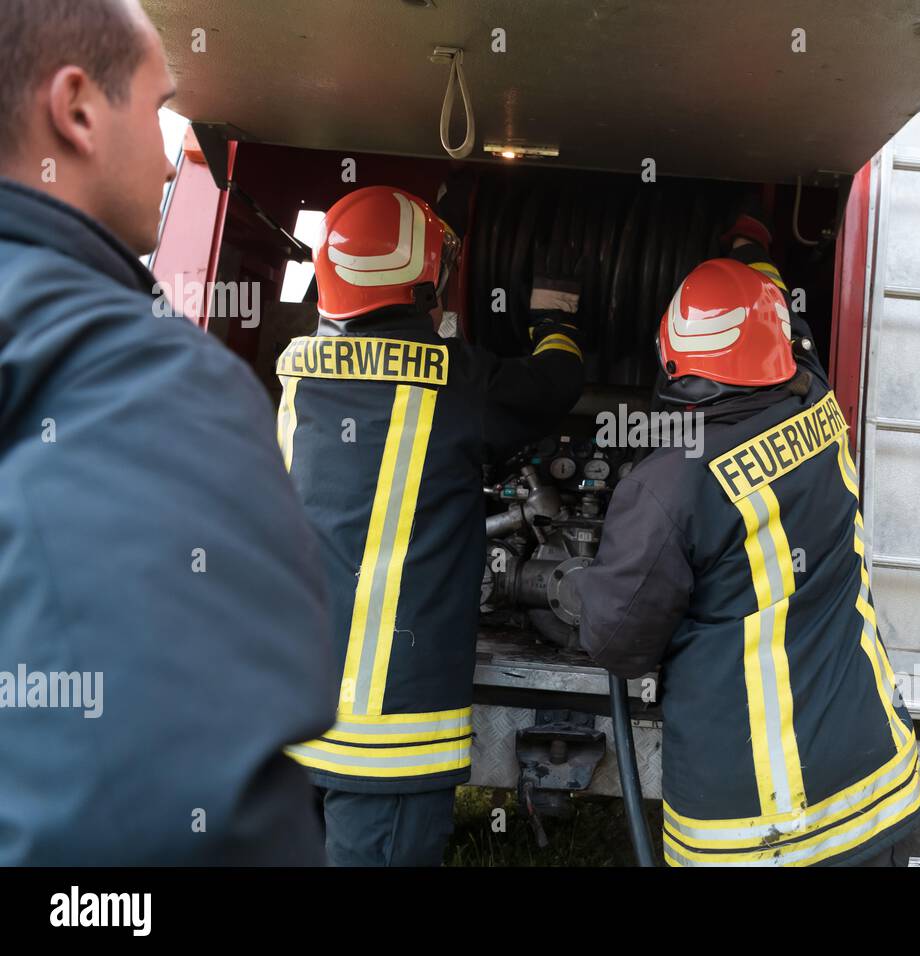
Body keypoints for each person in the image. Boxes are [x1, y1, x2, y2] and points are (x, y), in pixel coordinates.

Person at [0, 0, 337, 864]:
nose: (166, 160)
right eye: (157, 112)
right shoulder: (145, 384)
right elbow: (169, 810)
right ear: (76, 110)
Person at [577, 208, 920, 866]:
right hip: (875, 788)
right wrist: (753, 250)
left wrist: (586, 582)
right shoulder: (820, 405)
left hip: (753, 829)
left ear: (670, 357)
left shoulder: (667, 488)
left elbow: (617, 643)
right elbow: (790, 336)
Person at [276, 184, 585, 866]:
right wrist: (556, 319)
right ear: (420, 289)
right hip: (388, 737)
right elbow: (552, 387)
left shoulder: (298, 376)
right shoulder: (456, 380)